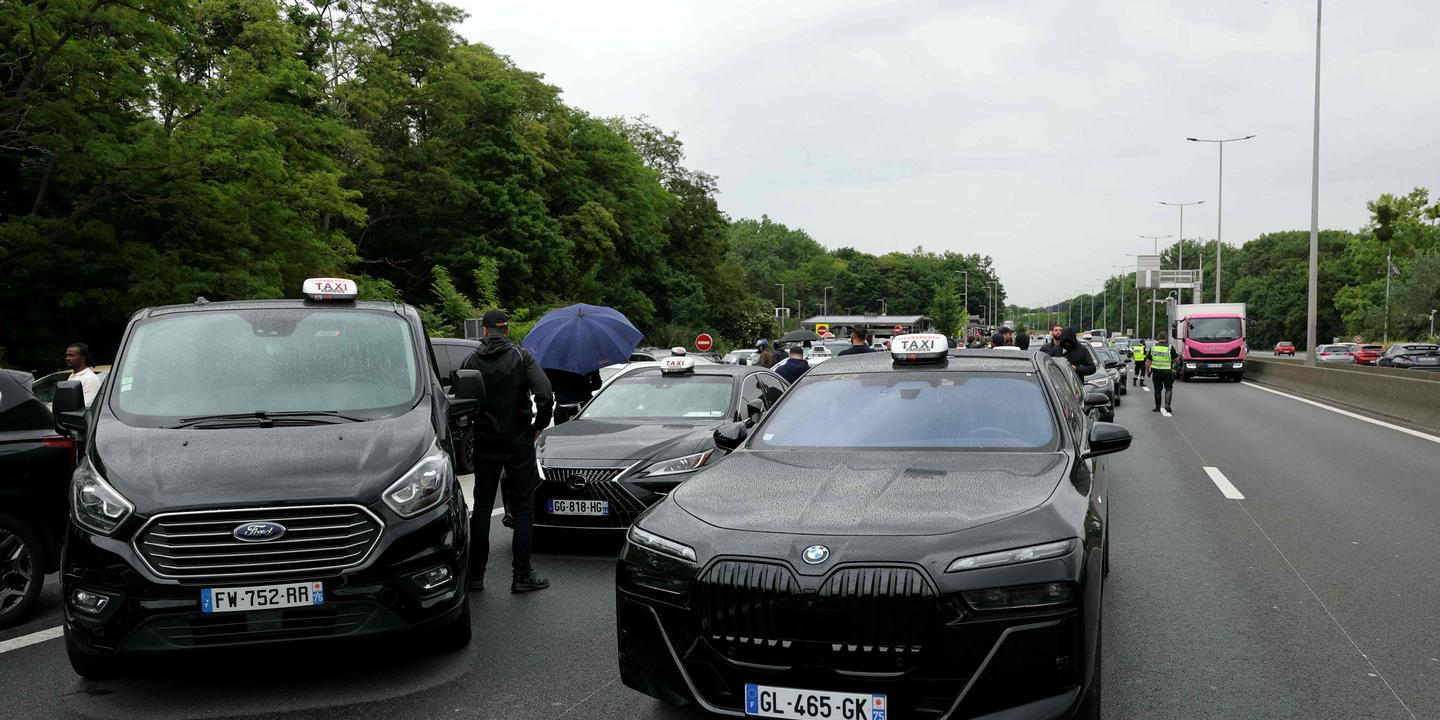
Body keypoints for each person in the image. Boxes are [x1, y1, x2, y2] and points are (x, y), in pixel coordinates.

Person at [462, 310, 554, 593]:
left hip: (486, 444)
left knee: (482, 508)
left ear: (486, 331)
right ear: (507, 329)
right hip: (518, 443)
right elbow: (545, 394)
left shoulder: (472, 360)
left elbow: (462, 400)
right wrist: (537, 426)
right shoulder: (521, 356)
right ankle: (521, 575)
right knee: (524, 509)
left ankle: (476, 576)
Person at [64, 343, 101, 407]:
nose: (67, 358)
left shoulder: (90, 378)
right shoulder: (72, 376)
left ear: (82, 358)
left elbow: (88, 406)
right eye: (67, 355)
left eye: (71, 355)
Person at [1148, 331, 1176, 413]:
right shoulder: (1170, 347)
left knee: (1157, 390)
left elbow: (1148, 361)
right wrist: (1173, 366)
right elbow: (1176, 359)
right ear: (1166, 337)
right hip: (1167, 371)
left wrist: (1147, 371)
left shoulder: (1153, 347)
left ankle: (1157, 407)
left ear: (1158, 338)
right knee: (1168, 389)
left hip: (1156, 372)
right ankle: (1167, 404)